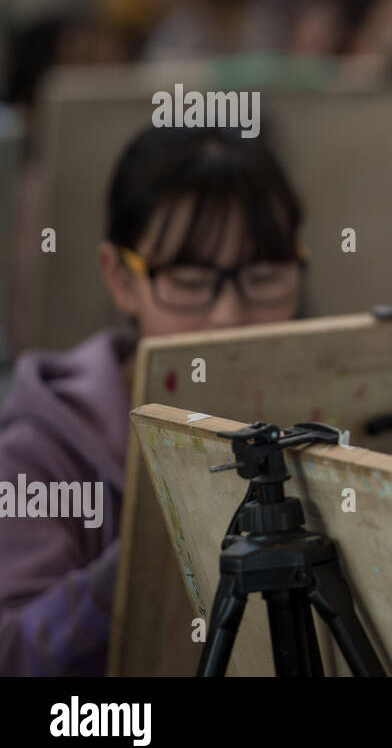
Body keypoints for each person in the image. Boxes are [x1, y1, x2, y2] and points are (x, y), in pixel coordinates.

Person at [0, 126, 306, 675]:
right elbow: (14, 653)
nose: (228, 317)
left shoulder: (319, 410)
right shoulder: (40, 449)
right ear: (120, 276)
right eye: (189, 281)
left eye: (263, 277)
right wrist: (156, 543)